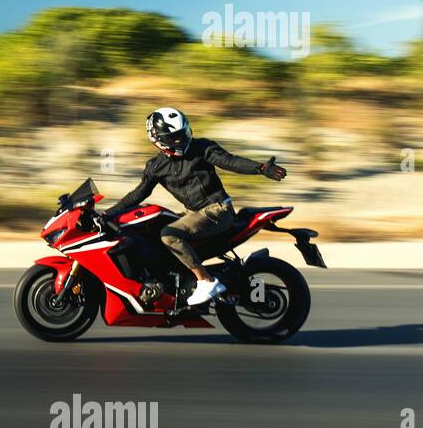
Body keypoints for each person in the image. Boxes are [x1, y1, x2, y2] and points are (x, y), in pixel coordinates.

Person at [103, 107, 287, 306]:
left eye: (183, 134)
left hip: (218, 210)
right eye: (174, 137)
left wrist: (260, 168)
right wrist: (107, 214)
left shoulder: (201, 148)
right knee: (151, 228)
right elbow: (139, 193)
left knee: (169, 234)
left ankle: (205, 281)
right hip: (196, 213)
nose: (180, 140)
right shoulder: (156, 166)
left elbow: (229, 161)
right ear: (157, 139)